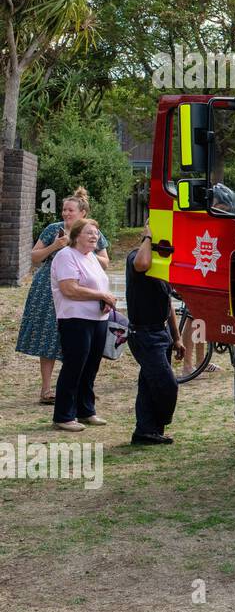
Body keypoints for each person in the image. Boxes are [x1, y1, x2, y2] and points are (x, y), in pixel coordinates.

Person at [16, 189, 109, 404]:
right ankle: (46, 389)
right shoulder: (53, 230)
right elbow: (34, 257)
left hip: (79, 290)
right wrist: (55, 246)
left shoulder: (92, 232)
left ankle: (73, 388)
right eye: (64, 210)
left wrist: (84, 249)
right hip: (48, 289)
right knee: (47, 336)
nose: (66, 214)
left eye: (70, 210)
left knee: (77, 339)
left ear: (82, 212)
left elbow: (105, 261)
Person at [49, 217, 115, 432]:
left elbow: (99, 286)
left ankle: (86, 410)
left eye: (96, 233)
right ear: (76, 236)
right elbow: (69, 289)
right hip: (75, 320)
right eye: (89, 233)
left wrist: (105, 301)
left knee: (91, 367)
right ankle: (63, 415)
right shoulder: (65, 255)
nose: (94, 236)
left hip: (98, 319)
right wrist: (101, 295)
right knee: (74, 366)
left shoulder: (92, 258)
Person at [126, 221, 186, 445]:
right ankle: (159, 422)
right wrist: (148, 237)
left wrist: (177, 337)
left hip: (161, 334)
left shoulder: (161, 265)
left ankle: (146, 431)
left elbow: (167, 302)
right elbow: (142, 264)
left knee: (149, 384)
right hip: (143, 335)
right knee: (166, 383)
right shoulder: (135, 256)